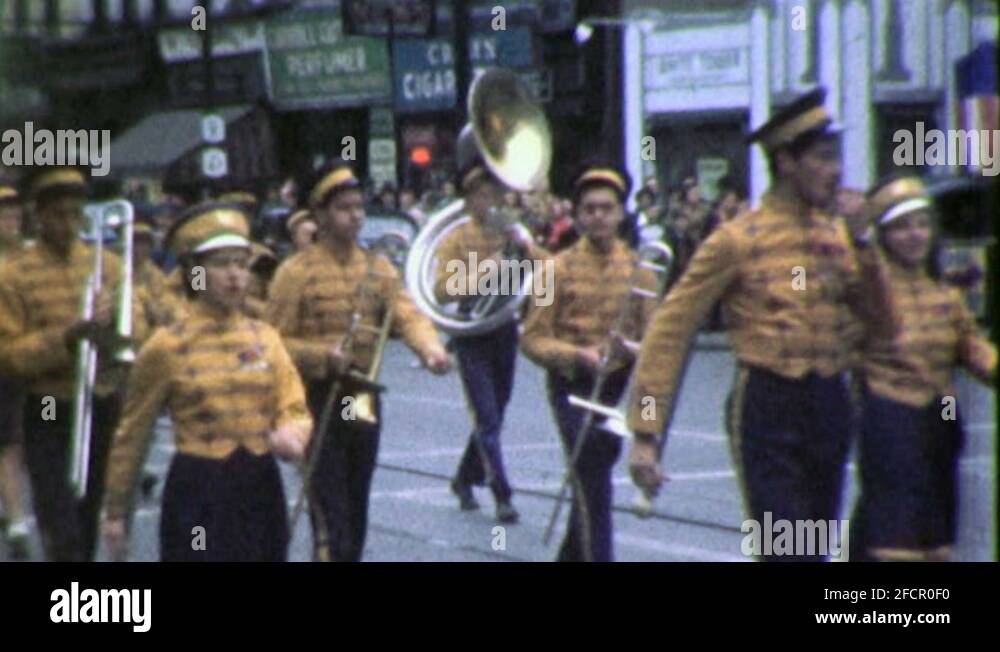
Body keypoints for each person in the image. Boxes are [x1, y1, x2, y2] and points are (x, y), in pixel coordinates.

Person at [625, 88, 899, 561]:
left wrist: (865, 245)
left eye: (836, 158)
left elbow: (885, 326)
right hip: (767, 406)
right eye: (823, 158)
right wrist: (646, 433)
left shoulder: (841, 236)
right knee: (783, 551)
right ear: (786, 162)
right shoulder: (736, 239)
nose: (836, 170)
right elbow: (670, 330)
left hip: (829, 404)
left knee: (812, 550)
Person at [101, 202, 311, 561]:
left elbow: (293, 405)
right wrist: (116, 512)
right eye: (221, 264)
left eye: (241, 264)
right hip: (199, 489)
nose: (234, 276)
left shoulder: (265, 337)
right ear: (194, 273)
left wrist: (294, 434)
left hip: (259, 485)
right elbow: (132, 434)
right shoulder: (166, 345)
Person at [266, 160, 451, 562]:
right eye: (344, 208)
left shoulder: (378, 267)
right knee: (329, 514)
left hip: (360, 397)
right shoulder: (294, 272)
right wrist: (321, 356)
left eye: (358, 207)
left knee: (355, 505)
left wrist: (431, 350)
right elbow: (273, 345)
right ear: (319, 214)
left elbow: (407, 314)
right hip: (313, 398)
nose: (355, 216)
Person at [849, 175, 995, 562]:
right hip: (891, 418)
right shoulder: (871, 291)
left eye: (921, 224)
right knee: (894, 543)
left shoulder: (944, 295)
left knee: (936, 543)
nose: (914, 236)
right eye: (900, 227)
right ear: (883, 235)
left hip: (940, 424)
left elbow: (973, 348)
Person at [0, 167, 144, 561]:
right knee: (57, 515)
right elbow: (9, 355)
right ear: (39, 215)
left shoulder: (108, 265)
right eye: (58, 214)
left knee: (91, 510)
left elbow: (137, 333)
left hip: (100, 397)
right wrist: (67, 336)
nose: (68, 224)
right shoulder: (13, 274)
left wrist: (114, 316)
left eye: (75, 214)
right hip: (47, 405)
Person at [521, 161, 658, 562]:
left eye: (606, 208)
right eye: (589, 209)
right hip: (573, 387)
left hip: (616, 385)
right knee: (593, 477)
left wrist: (630, 349)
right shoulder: (552, 270)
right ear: (577, 216)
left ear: (619, 214)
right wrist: (577, 354)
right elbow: (531, 339)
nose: (598, 216)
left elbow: (654, 342)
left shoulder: (642, 272)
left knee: (589, 479)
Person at [433, 138, 549, 523]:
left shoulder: (510, 230)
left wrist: (526, 247)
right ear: (468, 201)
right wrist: (488, 268)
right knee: (486, 416)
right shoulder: (455, 239)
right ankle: (502, 494)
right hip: (471, 335)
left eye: (494, 193)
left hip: (503, 331)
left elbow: (550, 274)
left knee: (495, 415)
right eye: (481, 195)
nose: (490, 201)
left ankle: (463, 478)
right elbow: (442, 288)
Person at [0, 185, 29, 558]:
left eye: (15, 214)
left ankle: (14, 509)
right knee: (6, 438)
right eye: (4, 215)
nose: (11, 221)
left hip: (32, 359)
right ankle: (17, 516)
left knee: (20, 437)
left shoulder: (30, 259)